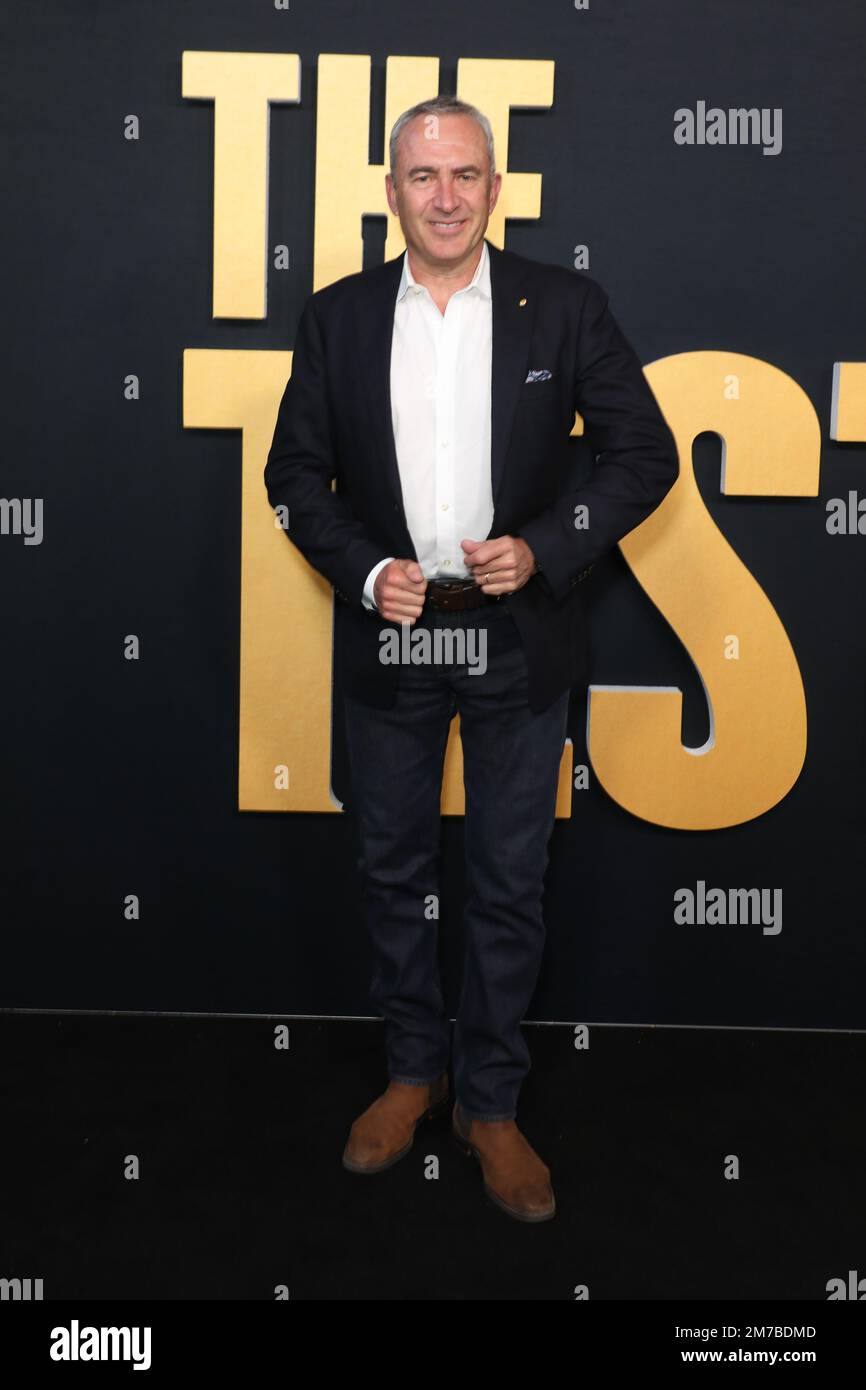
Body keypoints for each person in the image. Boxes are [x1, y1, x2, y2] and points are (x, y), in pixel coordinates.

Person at [264, 94, 678, 1222]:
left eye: (462, 175)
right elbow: (293, 479)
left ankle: (489, 1100)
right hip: (394, 633)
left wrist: (545, 548)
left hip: (515, 637)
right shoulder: (336, 317)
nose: (442, 196)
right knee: (391, 869)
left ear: (494, 189)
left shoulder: (567, 307)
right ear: (389, 190)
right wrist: (363, 571)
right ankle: (411, 1074)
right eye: (419, 176)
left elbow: (643, 454)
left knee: (507, 881)